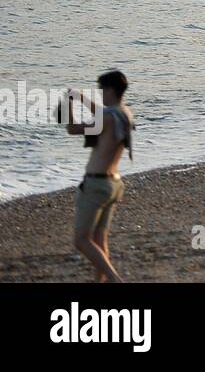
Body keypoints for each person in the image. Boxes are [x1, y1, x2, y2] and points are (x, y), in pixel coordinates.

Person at [65, 71, 135, 282]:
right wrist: (83, 100)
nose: (100, 94)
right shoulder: (125, 113)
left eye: (101, 90)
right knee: (99, 238)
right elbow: (105, 113)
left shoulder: (106, 117)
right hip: (114, 183)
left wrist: (69, 104)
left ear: (110, 90)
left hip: (96, 184)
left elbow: (72, 128)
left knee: (81, 240)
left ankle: (115, 279)